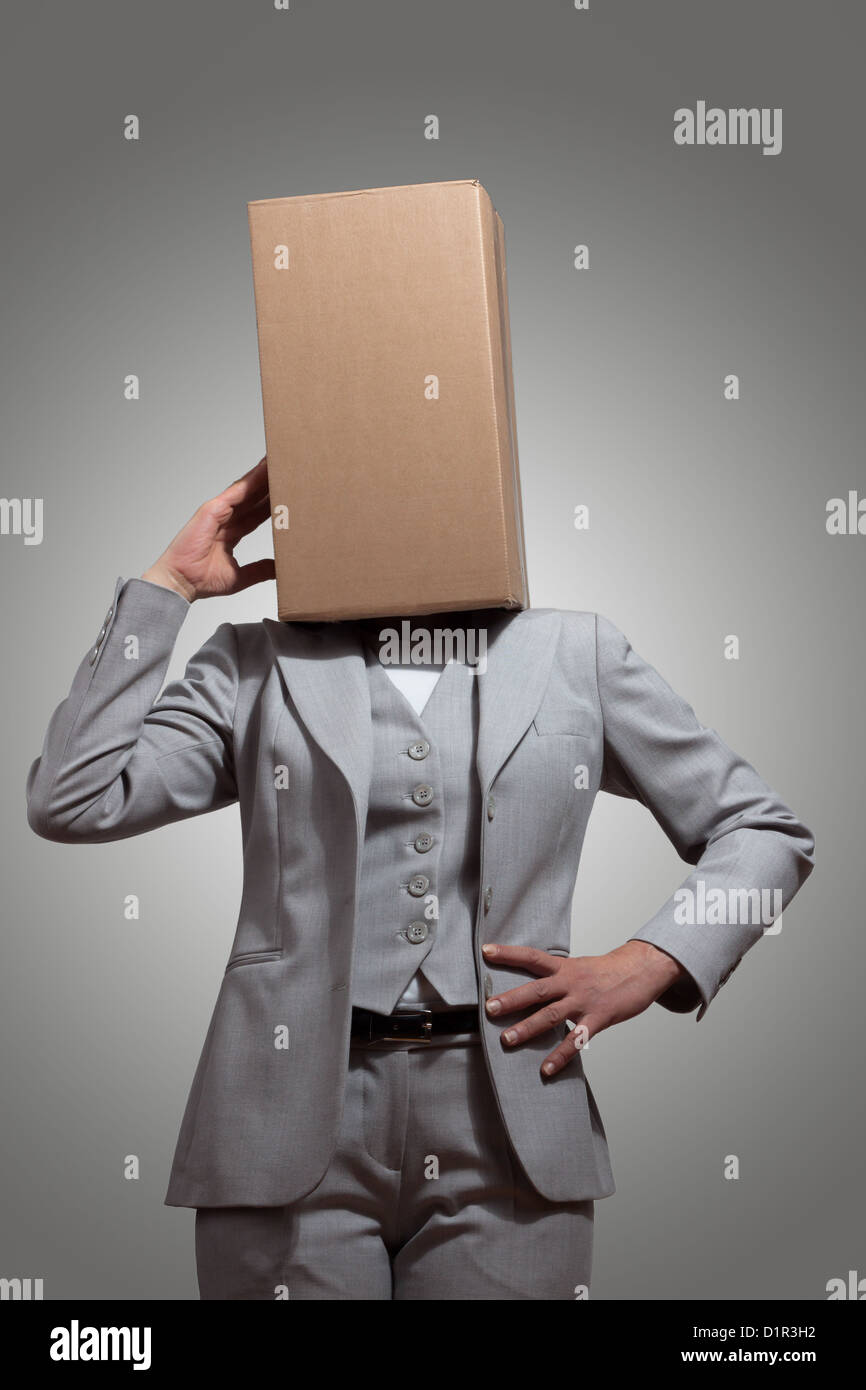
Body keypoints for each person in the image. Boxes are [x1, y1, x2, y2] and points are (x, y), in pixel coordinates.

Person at [25, 457, 816, 1300]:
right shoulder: (252, 663)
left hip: (511, 1118)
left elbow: (763, 831)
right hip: (280, 1120)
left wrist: (653, 959)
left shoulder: (576, 652)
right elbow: (73, 797)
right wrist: (169, 585)